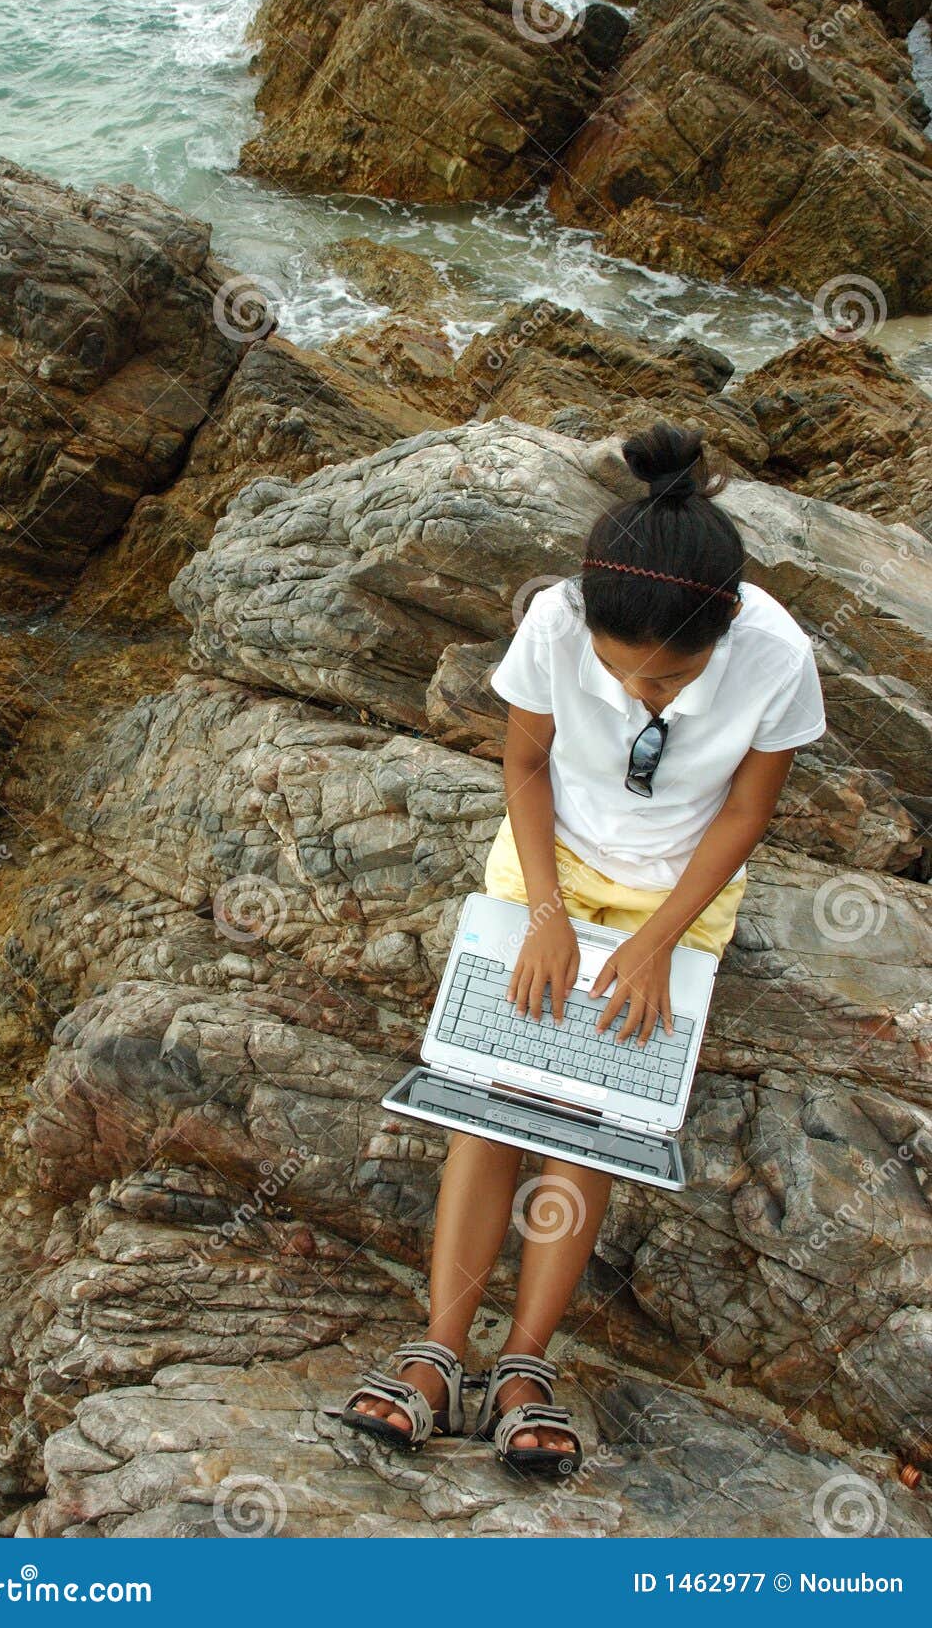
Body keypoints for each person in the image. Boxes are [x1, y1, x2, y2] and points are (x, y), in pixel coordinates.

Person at [339, 420, 827, 1476]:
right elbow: (524, 766)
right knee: (489, 1093)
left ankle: (523, 1363)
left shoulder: (776, 652)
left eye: (669, 682)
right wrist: (547, 916)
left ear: (726, 625)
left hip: (677, 892)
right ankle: (439, 1349)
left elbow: (746, 812)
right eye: (622, 674)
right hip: (547, 864)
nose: (643, 695)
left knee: (589, 1118)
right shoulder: (558, 620)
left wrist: (654, 941)